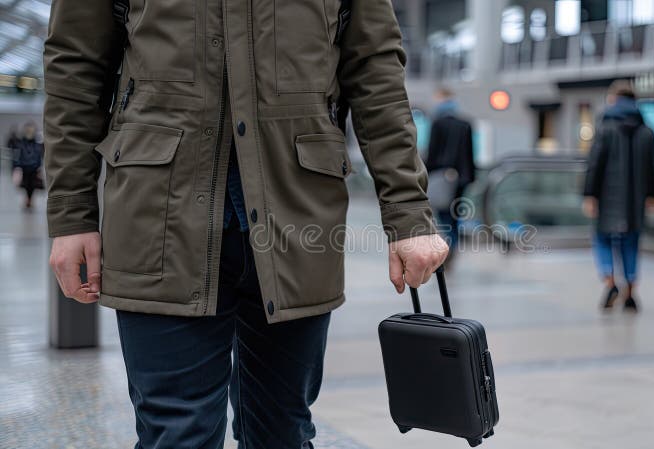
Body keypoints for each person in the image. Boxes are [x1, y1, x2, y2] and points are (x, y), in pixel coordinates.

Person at [44, 1, 448, 448]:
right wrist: (71, 213)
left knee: (282, 433)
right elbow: (75, 66)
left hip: (298, 214)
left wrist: (408, 211)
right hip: (157, 216)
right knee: (176, 435)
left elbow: (375, 70)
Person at [583, 80, 654, 313]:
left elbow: (594, 164)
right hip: (635, 200)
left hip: (607, 198)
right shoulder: (647, 131)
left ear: (613, 99)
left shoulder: (605, 127)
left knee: (602, 239)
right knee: (631, 242)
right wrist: (653, 195)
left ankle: (610, 282)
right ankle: (630, 291)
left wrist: (590, 195)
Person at [425, 87, 476, 258]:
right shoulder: (465, 124)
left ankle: (448, 245)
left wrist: (427, 174)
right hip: (462, 178)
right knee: (455, 213)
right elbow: (470, 154)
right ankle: (453, 244)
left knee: (443, 214)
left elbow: (432, 153)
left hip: (442, 176)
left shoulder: (437, 123)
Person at [12, 121, 44, 209]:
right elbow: (18, 155)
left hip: (33, 167)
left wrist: (39, 167)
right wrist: (17, 167)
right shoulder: (21, 143)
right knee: (26, 185)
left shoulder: (36, 143)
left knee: (32, 185)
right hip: (25, 167)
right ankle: (28, 200)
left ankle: (29, 200)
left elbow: (38, 155)